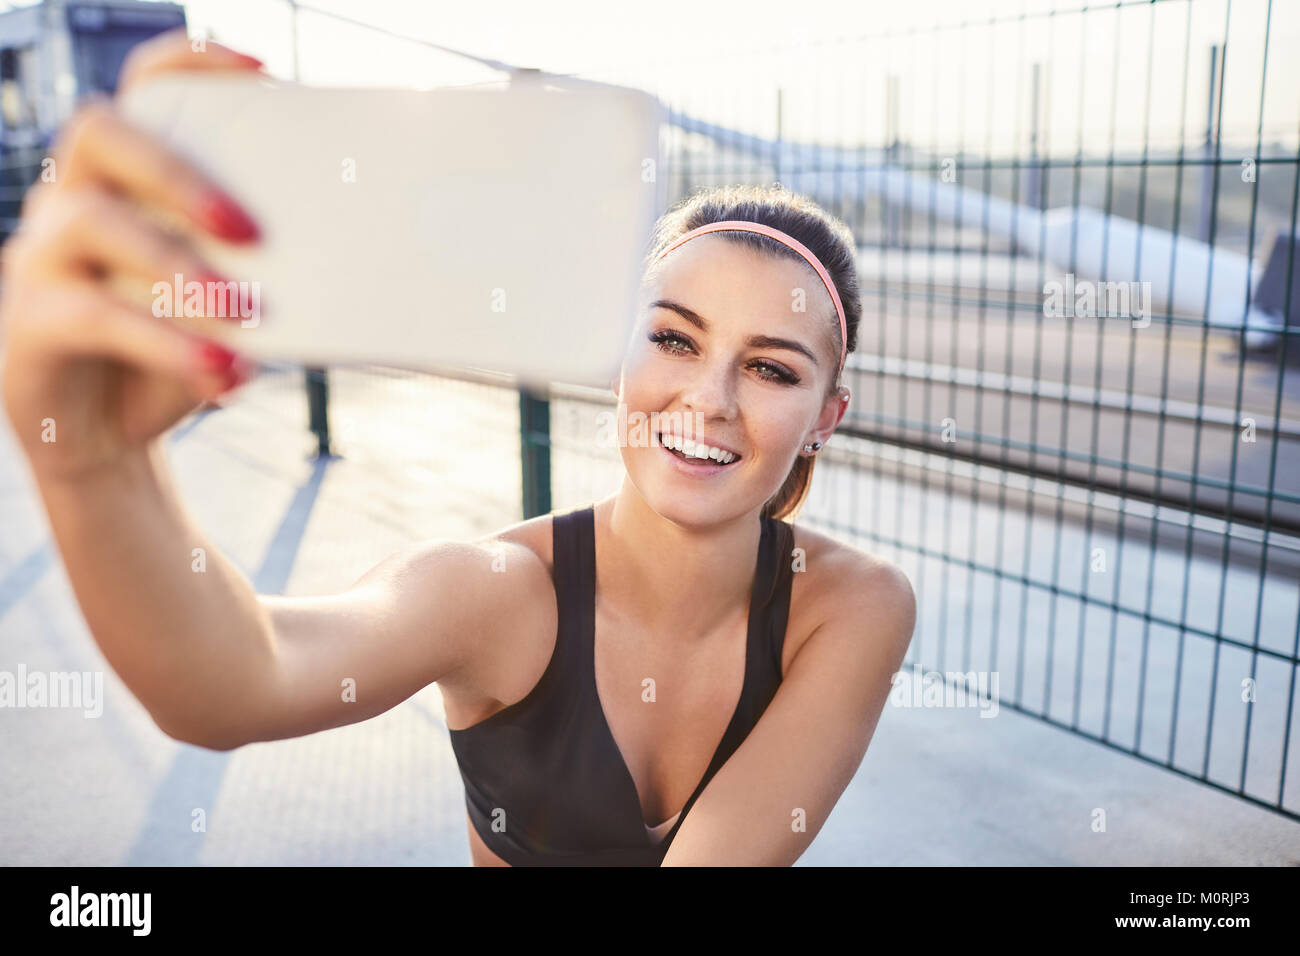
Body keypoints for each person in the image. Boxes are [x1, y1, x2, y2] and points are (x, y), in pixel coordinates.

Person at [0, 30, 915, 866]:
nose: (707, 401)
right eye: (674, 339)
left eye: (773, 370)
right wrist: (87, 458)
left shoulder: (853, 608)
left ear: (826, 416)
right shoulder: (495, 593)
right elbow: (239, 680)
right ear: (619, 352)